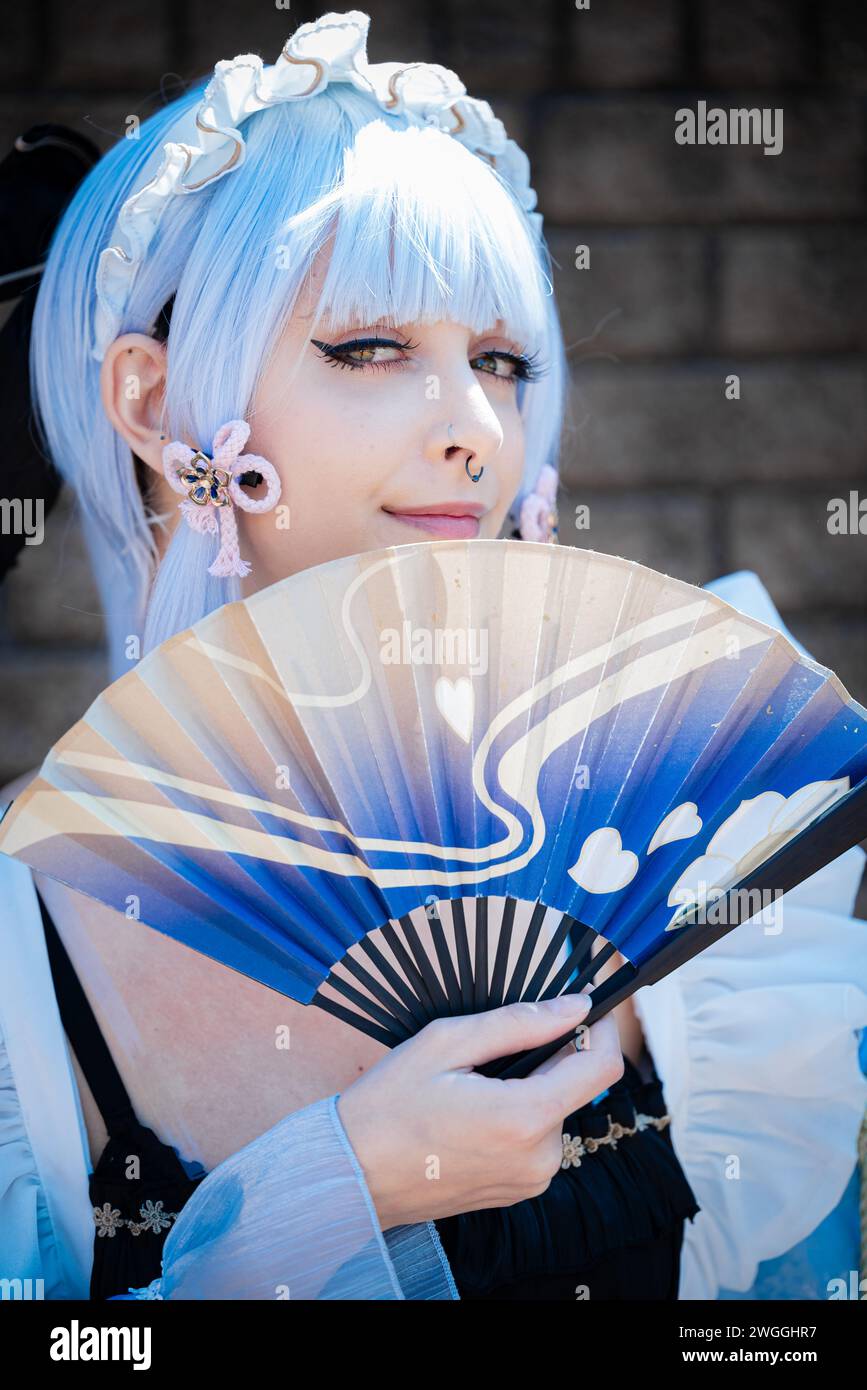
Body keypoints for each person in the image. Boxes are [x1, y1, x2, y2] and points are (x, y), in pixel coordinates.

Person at [0, 10, 864, 1302]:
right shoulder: (22, 950)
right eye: (370, 347)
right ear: (150, 400)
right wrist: (326, 1195)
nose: (474, 428)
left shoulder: (687, 817)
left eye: (503, 361)